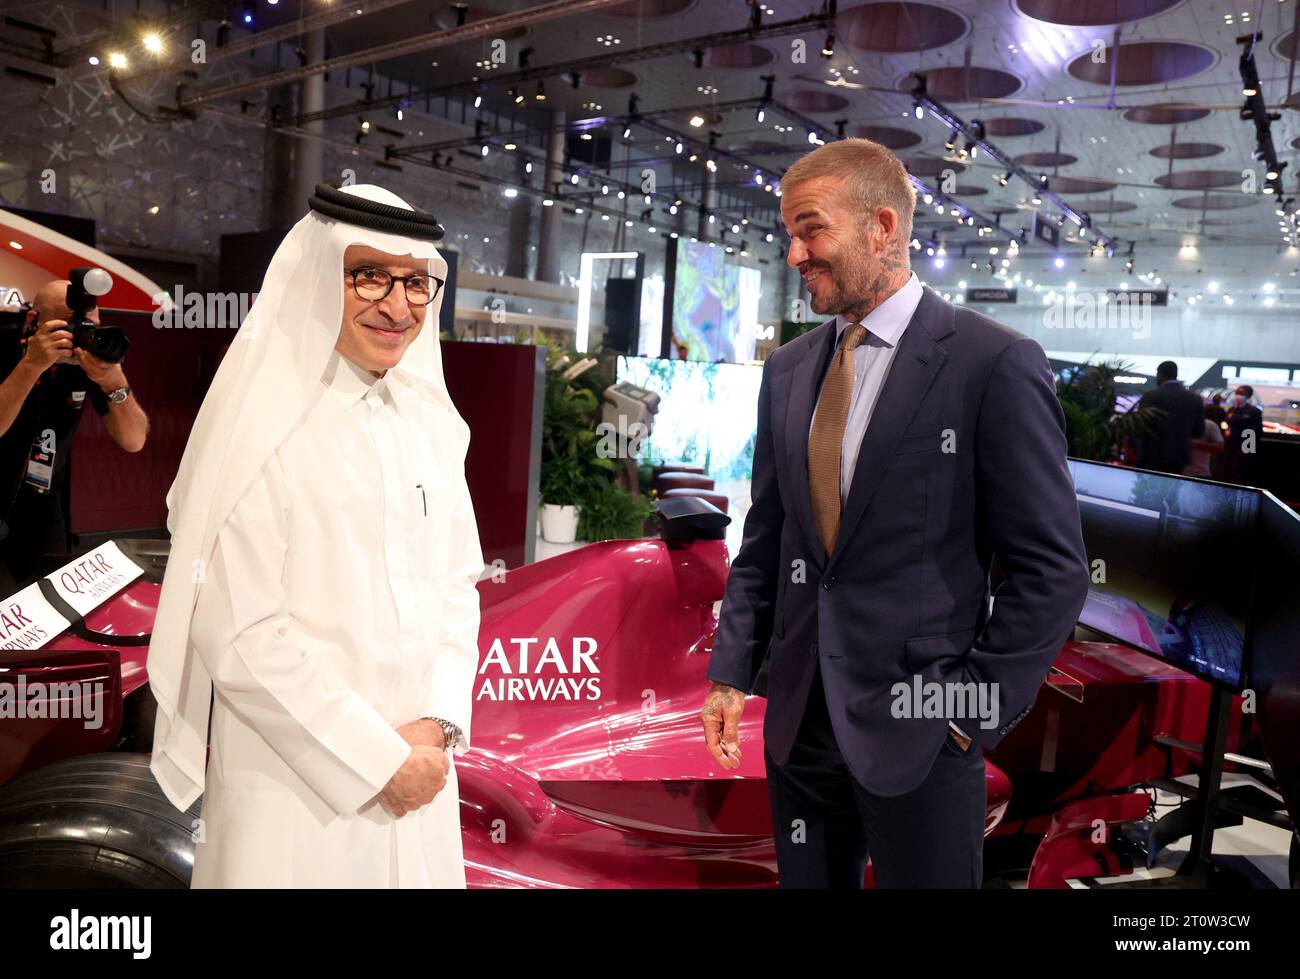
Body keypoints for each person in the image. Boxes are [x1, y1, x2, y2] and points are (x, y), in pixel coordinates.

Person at [699, 138, 1088, 888]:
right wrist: (730, 674)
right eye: (790, 233)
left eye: (811, 230)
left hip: (924, 732)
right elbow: (768, 539)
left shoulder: (992, 363)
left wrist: (964, 714)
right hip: (799, 728)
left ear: (883, 226)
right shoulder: (787, 370)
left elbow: (1053, 572)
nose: (793, 253)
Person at [147, 183, 483, 888]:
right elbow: (239, 632)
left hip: (423, 775)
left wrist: (438, 723)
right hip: (296, 792)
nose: (398, 307)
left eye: (416, 282)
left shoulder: (430, 424)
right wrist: (375, 758)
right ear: (320, 276)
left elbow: (458, 586)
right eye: (369, 276)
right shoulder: (262, 429)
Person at [0, 281, 148, 590]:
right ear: (34, 322)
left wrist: (113, 380)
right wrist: (31, 366)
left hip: (43, 503)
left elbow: (134, 440)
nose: (77, 337)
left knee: (48, 608)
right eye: (68, 325)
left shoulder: (85, 362)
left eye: (88, 327)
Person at [1134, 361, 1204, 474]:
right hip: (1178, 460)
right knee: (1171, 491)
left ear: (1159, 374)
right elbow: (1199, 432)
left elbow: (1139, 427)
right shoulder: (1194, 399)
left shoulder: (1150, 396)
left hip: (1150, 457)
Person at [1224, 384, 1264, 485]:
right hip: (1229, 446)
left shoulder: (1254, 411)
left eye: (1241, 394)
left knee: (1240, 475)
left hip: (1244, 448)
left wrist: (1250, 450)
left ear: (1248, 396)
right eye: (1237, 393)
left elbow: (1257, 431)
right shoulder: (1231, 409)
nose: (1238, 396)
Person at [1183, 406, 1224, 479]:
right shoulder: (1180, 422)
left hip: (1198, 473)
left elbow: (1220, 447)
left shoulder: (1209, 424)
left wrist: (1195, 444)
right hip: (1184, 472)